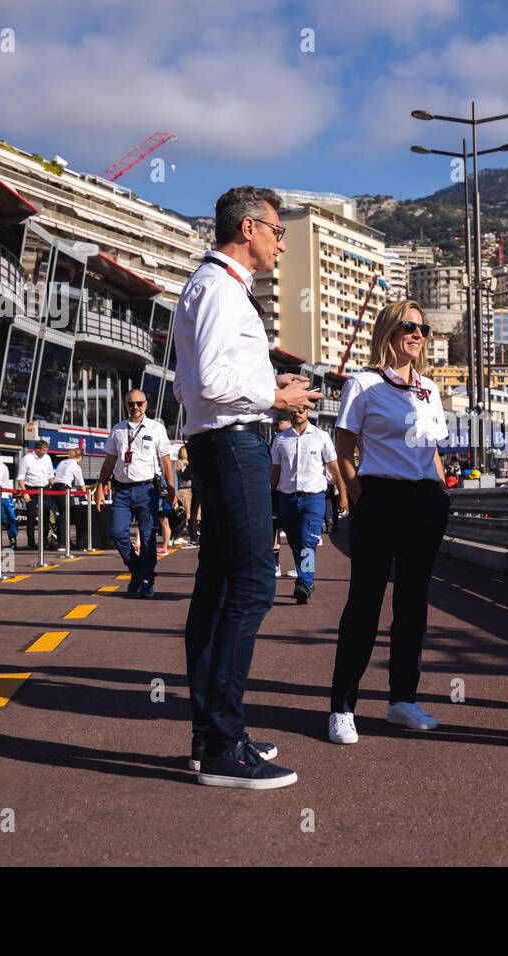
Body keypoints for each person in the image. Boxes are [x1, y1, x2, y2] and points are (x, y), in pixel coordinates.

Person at [175, 184, 320, 789]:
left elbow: (214, 376)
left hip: (229, 442)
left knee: (220, 586)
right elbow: (209, 381)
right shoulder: (216, 289)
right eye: (277, 230)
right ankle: (223, 742)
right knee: (254, 585)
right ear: (248, 228)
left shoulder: (218, 288)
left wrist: (269, 389)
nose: (281, 241)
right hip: (230, 445)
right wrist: (275, 396)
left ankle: (213, 735)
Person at [328, 300, 451, 746]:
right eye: (408, 327)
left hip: (425, 501)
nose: (417, 335)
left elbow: (433, 449)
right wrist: (360, 497)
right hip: (379, 498)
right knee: (364, 604)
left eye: (423, 328)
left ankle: (402, 699)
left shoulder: (430, 389)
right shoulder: (363, 385)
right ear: (388, 332)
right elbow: (344, 448)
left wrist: (441, 493)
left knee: (413, 605)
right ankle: (342, 705)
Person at [95, 389, 175, 598]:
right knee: (117, 532)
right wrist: (99, 488)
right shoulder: (118, 429)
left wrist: (171, 490)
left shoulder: (157, 429)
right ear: (125, 404)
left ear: (146, 404)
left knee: (148, 537)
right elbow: (110, 461)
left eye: (139, 403)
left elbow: (166, 462)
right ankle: (137, 570)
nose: (135, 408)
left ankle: (147, 580)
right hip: (121, 490)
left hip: (147, 489)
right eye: (131, 404)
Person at [270, 404, 345, 604]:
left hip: (314, 498)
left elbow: (334, 468)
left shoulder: (321, 436)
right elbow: (275, 471)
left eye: (302, 410)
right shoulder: (280, 439)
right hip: (287, 499)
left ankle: (305, 582)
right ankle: (305, 577)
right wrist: (268, 496)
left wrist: (343, 494)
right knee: (296, 543)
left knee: (307, 541)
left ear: (308, 412)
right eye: (294, 411)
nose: (298, 413)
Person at [16, 439, 58, 551]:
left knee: (45, 516)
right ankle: (31, 542)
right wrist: (24, 493)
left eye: (46, 450)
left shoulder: (47, 458)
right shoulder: (26, 459)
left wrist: (55, 486)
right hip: (30, 488)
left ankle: (43, 542)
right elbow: (21, 478)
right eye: (44, 450)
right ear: (37, 449)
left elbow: (50, 475)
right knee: (31, 516)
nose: (46, 452)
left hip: (44, 488)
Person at [271, 416, 293, 577]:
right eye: (274, 424)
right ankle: (275, 565)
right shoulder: (276, 440)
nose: (275, 426)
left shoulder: (297, 438)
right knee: (273, 528)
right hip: (276, 491)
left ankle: (300, 566)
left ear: (289, 422)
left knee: (296, 531)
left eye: (279, 423)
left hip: (292, 491)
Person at [52, 448, 87, 551]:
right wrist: (86, 496)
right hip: (64, 489)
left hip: (54, 489)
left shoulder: (62, 462)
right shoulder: (76, 466)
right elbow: (81, 483)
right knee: (65, 517)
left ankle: (60, 538)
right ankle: (63, 544)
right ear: (80, 457)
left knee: (59, 517)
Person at [174, 445, 198, 547]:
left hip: (189, 490)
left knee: (189, 514)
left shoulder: (183, 463)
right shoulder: (180, 464)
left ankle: (186, 535)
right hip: (185, 491)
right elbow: (182, 478)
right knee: (187, 514)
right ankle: (179, 536)